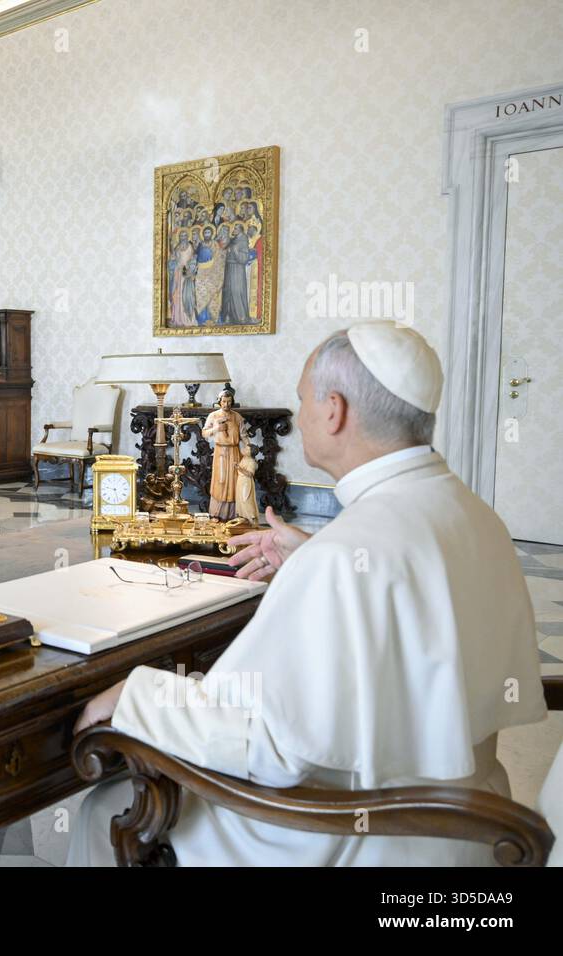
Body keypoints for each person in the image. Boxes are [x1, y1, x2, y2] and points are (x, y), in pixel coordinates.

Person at [68, 322, 546, 866]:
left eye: (302, 399)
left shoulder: (343, 557)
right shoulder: (475, 516)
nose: (300, 413)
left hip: (364, 833)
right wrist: (317, 554)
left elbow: (274, 750)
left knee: (109, 806)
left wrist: (137, 695)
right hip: (465, 820)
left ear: (334, 411)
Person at [200, 388, 246, 519]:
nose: (226, 404)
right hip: (221, 452)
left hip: (234, 451)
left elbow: (243, 434)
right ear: (219, 402)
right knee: (221, 481)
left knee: (234, 481)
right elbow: (204, 433)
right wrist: (217, 428)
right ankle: (217, 513)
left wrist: (248, 446)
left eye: (229, 402)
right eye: (224, 401)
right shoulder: (213, 416)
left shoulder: (237, 417)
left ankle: (234, 513)